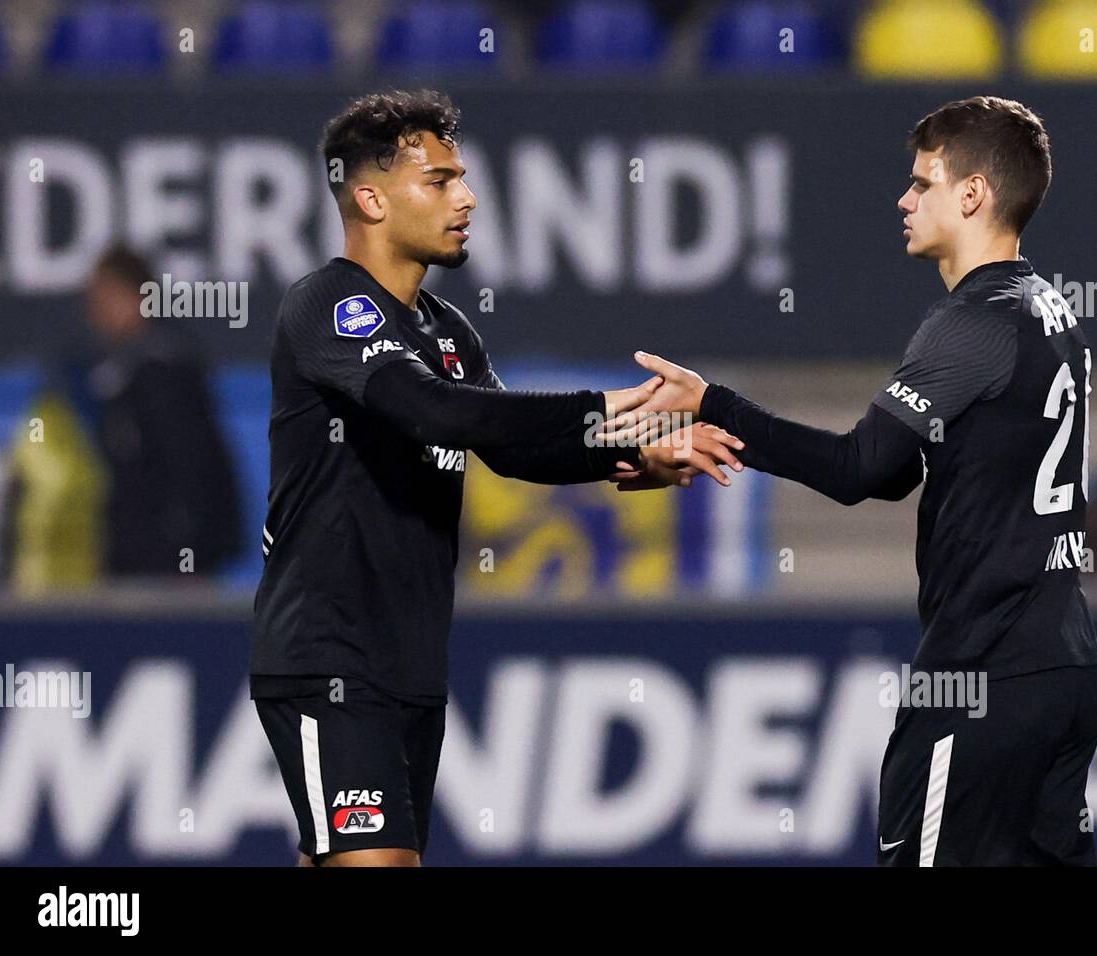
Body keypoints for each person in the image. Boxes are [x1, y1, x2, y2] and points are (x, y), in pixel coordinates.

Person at [250, 89, 744, 867]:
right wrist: (617, 400)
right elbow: (439, 415)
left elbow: (511, 445)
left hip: (411, 662)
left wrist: (634, 455)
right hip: (329, 659)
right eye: (441, 181)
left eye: (462, 178)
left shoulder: (447, 332)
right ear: (371, 197)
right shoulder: (328, 305)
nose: (468, 198)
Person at [622, 96, 1097, 866]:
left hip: (981, 676)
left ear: (972, 194)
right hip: (1068, 670)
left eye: (923, 183)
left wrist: (713, 403)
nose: (904, 200)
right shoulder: (1054, 311)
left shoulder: (969, 322)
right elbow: (896, 474)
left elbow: (858, 470)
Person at [85, 244, 243, 579]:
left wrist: (185, 554)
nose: (95, 313)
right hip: (139, 563)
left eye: (104, 299)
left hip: (169, 567)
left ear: (135, 297)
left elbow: (192, 468)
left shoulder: (164, 373)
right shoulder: (119, 372)